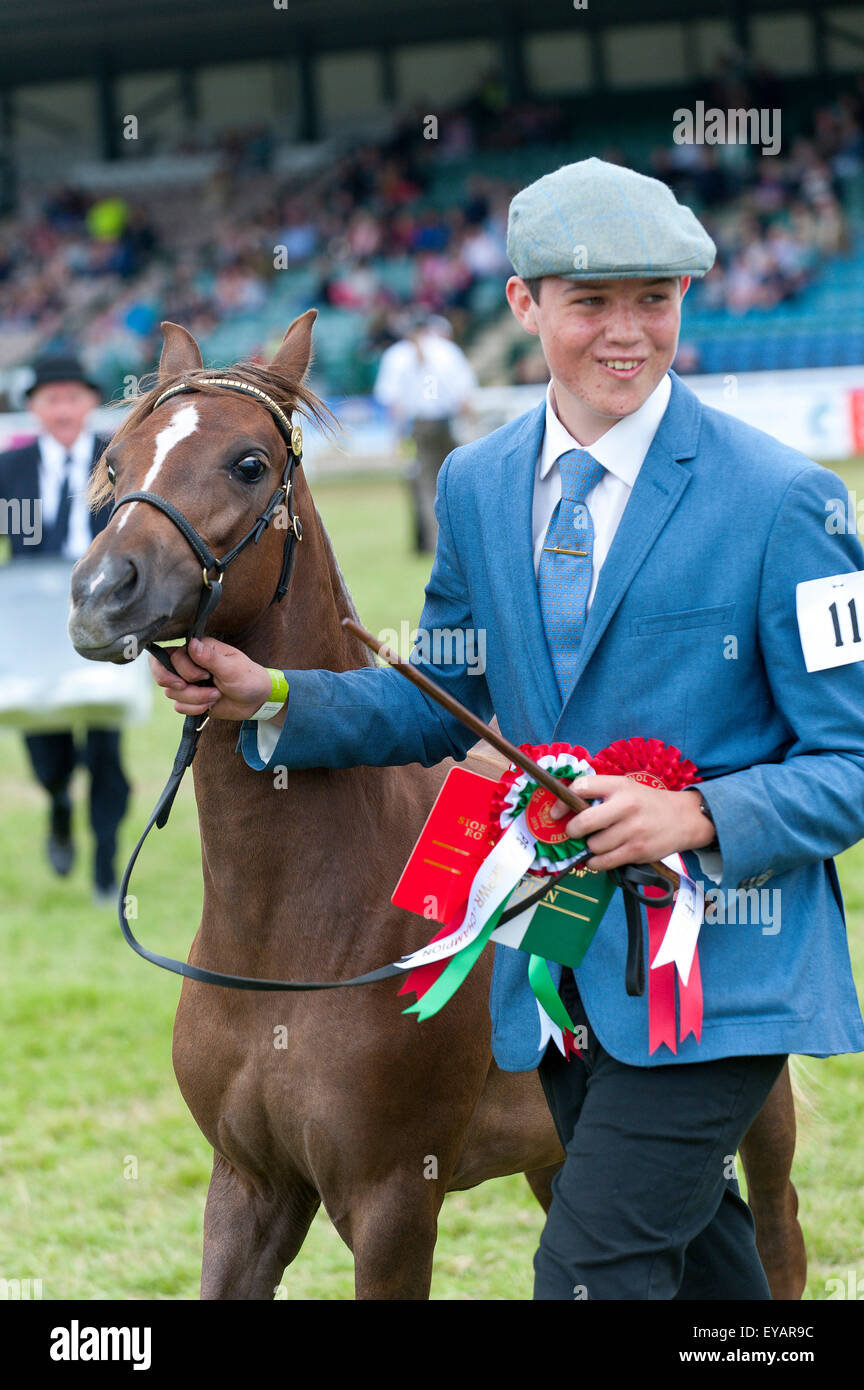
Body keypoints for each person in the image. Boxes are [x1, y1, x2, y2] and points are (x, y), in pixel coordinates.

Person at [148, 158, 864, 1299]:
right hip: (556, 975)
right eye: (591, 302)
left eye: (655, 300)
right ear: (524, 304)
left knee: (590, 1272)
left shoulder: (788, 499)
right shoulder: (478, 487)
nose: (627, 333)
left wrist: (696, 811)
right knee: (706, 1269)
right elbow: (444, 694)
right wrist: (272, 696)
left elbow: (853, 766)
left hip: (718, 972)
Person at [0, 352, 130, 902]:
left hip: (103, 613)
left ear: (89, 403)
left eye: (73, 397)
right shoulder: (11, 471)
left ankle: (104, 862)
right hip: (35, 622)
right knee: (44, 739)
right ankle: (57, 801)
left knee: (105, 741)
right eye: (51, 398)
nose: (63, 409)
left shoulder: (117, 463)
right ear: (33, 407)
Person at [373, 309, 477, 552]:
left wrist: (396, 438)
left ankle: (435, 543)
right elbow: (464, 396)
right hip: (447, 424)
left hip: (420, 427)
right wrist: (473, 426)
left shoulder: (396, 355)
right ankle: (462, 540)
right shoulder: (447, 351)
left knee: (426, 486)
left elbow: (394, 403)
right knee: (455, 482)